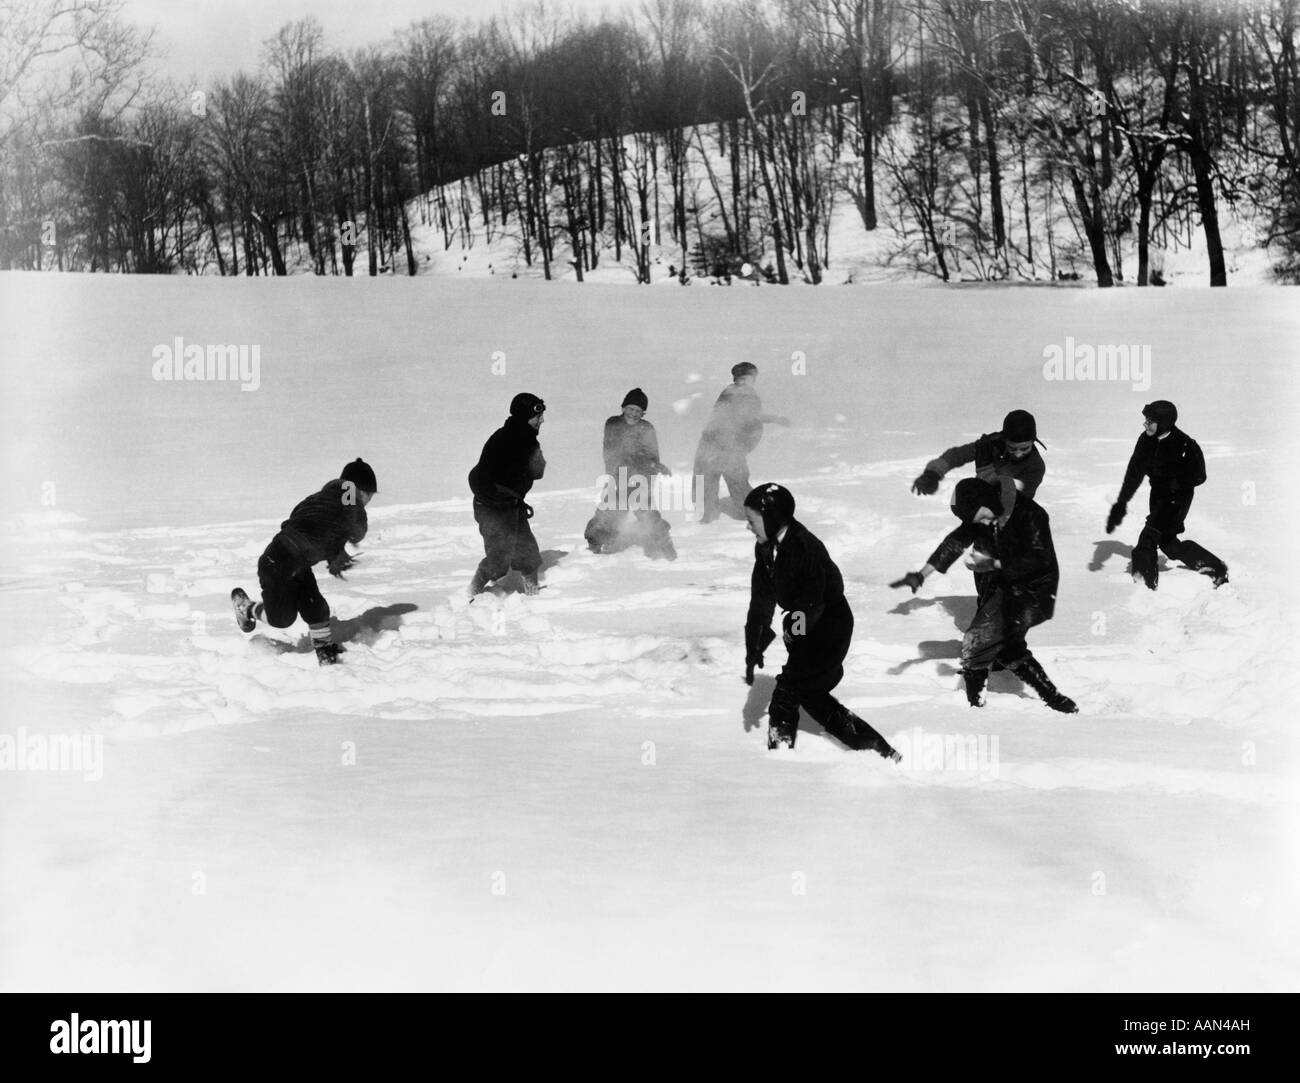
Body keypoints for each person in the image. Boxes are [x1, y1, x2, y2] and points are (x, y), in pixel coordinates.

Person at [891, 477, 1078, 713]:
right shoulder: (984, 508)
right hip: (1006, 585)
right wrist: (922, 574)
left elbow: (1040, 559)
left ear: (989, 500)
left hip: (1034, 588)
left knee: (975, 641)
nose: (985, 523)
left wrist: (994, 563)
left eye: (984, 517)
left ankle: (974, 710)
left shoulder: (1030, 514)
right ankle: (1058, 702)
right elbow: (955, 542)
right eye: (979, 521)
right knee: (1009, 648)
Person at [743, 483, 902, 758]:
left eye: (752, 520)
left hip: (829, 625)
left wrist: (796, 640)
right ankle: (878, 750)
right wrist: (754, 645)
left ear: (772, 518)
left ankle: (779, 758)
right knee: (811, 696)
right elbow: (761, 600)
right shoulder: (765, 549)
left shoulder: (805, 547)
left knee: (788, 690)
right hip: (804, 623)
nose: (748, 527)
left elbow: (810, 604)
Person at [230, 458, 377, 666]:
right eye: (369, 495)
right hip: (277, 563)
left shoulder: (320, 499)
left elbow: (311, 525)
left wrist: (333, 550)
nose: (368, 501)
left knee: (317, 608)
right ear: (363, 491)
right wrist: (343, 542)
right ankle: (247, 608)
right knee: (282, 619)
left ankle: (326, 656)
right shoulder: (349, 497)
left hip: (296, 563)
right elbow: (356, 528)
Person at [1105, 400, 1228, 590]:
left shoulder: (1186, 444)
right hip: (1158, 494)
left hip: (1178, 498)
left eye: (1150, 421)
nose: (1145, 424)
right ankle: (1215, 567)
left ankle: (1143, 583)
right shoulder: (1146, 440)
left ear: (1164, 422)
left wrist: (1176, 482)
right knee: (1169, 545)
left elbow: (1200, 476)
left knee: (1148, 537)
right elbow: (1135, 471)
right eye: (1145, 420)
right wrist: (1122, 501)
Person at [468, 392, 547, 596]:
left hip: (510, 504)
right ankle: (471, 594)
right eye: (538, 416)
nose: (542, 420)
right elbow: (538, 471)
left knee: (527, 552)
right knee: (498, 561)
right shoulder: (518, 441)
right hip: (492, 507)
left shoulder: (507, 435)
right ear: (525, 417)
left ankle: (532, 591)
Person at [584, 388, 676, 560]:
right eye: (631, 409)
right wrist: (648, 463)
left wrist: (655, 466)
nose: (634, 414)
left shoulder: (647, 428)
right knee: (606, 515)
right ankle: (594, 547)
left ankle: (666, 548)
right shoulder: (613, 424)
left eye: (639, 411)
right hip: (617, 477)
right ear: (623, 408)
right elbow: (619, 452)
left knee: (648, 515)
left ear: (643, 413)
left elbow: (653, 454)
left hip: (639, 480)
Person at [693, 363, 790, 523]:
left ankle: (755, 511)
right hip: (714, 444)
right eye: (741, 379)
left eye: (749, 378)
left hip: (731, 447)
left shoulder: (748, 396)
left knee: (738, 485)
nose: (745, 382)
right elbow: (729, 417)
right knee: (705, 481)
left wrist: (775, 419)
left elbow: (751, 417)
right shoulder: (732, 393)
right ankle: (708, 516)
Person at [911, 409, 1046, 523]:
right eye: (1012, 448)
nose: (1018, 454)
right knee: (958, 499)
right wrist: (933, 473)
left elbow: (1010, 497)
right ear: (1005, 440)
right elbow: (959, 454)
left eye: (1024, 449)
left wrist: (985, 469)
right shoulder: (991, 445)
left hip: (1012, 516)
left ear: (1033, 442)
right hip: (982, 508)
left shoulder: (1035, 467)